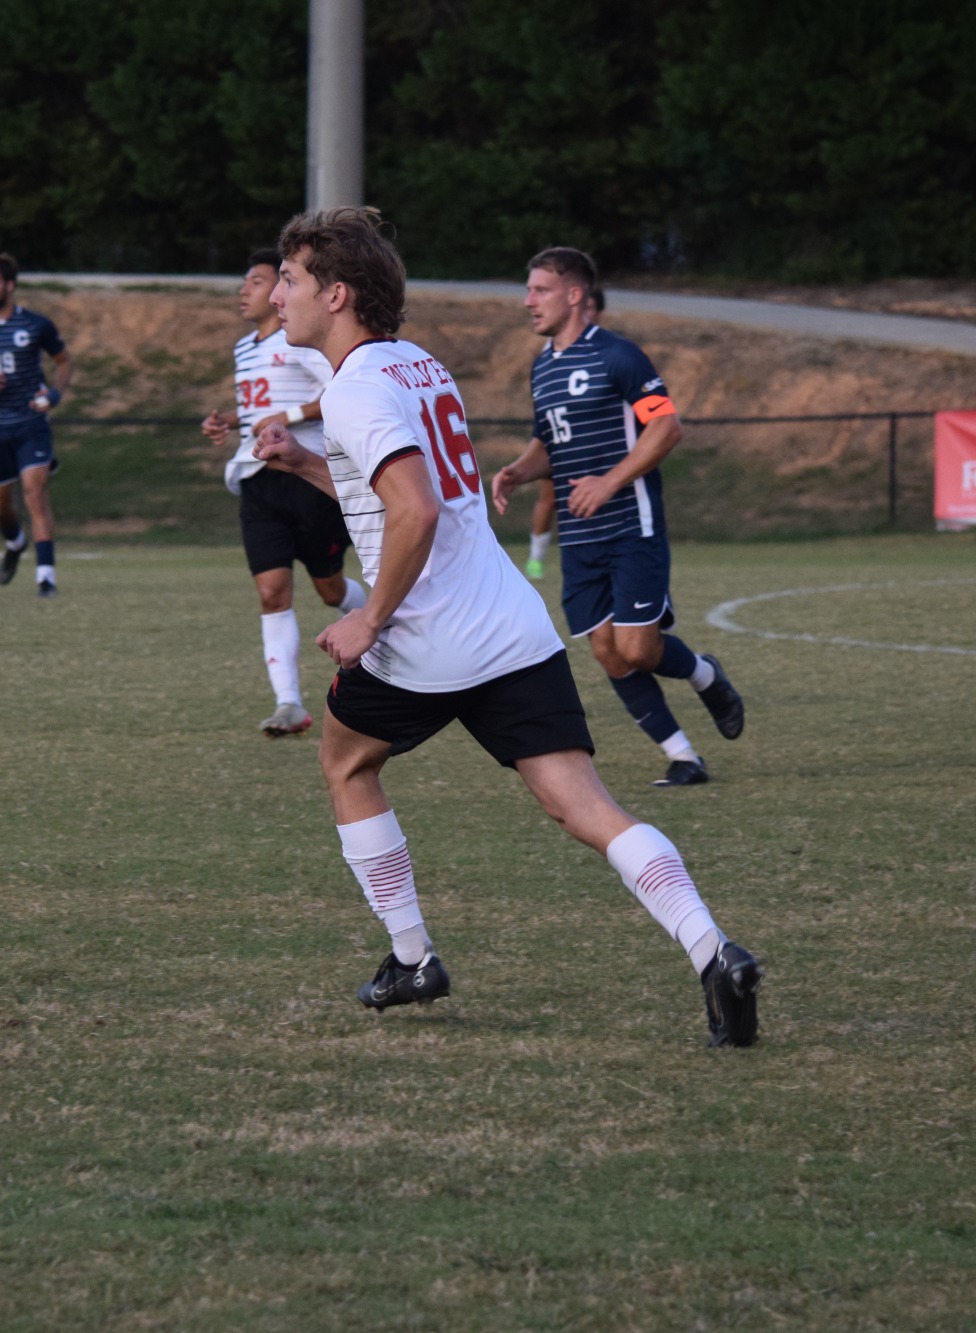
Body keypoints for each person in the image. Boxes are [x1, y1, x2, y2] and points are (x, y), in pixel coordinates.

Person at [252, 207, 762, 1047]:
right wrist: (308, 462)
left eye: (294, 280)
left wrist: (368, 619)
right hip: (510, 628)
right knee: (585, 807)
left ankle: (414, 957)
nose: (278, 296)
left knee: (346, 760)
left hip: (425, 637)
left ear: (337, 293)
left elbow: (412, 510)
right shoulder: (418, 365)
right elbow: (402, 499)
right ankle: (715, 951)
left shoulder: (350, 390)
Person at [492, 247, 744, 788]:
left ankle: (706, 675)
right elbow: (548, 443)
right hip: (579, 536)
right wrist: (519, 470)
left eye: (540, 290)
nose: (528, 301)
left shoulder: (619, 357)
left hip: (632, 526)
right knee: (608, 652)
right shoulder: (543, 368)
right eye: (528, 289)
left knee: (637, 648)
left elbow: (665, 427)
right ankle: (683, 757)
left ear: (575, 294)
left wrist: (609, 482)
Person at [200, 249, 370, 737]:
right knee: (272, 593)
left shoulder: (303, 343)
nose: (244, 291)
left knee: (330, 589)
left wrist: (289, 419)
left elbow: (338, 391)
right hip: (257, 481)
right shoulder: (243, 349)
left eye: (255, 281)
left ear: (281, 289)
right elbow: (260, 408)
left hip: (307, 478)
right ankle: (289, 704)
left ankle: (383, 617)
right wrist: (227, 422)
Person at [0, 251, 75, 596]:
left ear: (10, 285)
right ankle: (16, 543)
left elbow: (64, 363)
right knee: (0, 507)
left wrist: (54, 394)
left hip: (30, 423)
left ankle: (46, 578)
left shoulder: (36, 325)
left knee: (35, 492)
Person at [522, 287, 603, 580]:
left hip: (596, 445)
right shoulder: (552, 353)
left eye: (592, 309)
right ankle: (536, 558)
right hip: (561, 438)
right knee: (550, 498)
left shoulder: (607, 351)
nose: (588, 313)